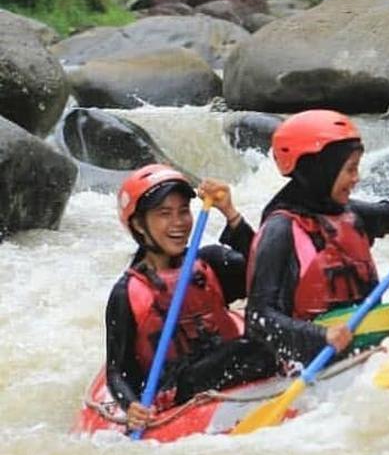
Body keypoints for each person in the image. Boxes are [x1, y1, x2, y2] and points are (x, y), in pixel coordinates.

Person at [105, 165, 276, 431]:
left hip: (229, 368)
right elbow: (118, 371)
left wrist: (230, 214)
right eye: (165, 214)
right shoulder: (127, 293)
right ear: (138, 224)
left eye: (183, 211)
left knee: (269, 334)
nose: (179, 222)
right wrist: (131, 406)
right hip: (178, 388)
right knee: (255, 348)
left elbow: (266, 277)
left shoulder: (210, 263)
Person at [245, 109, 389, 367]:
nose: (356, 178)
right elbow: (258, 318)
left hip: (361, 351)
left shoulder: (349, 214)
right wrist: (320, 336)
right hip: (309, 364)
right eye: (350, 169)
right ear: (319, 170)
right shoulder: (279, 231)